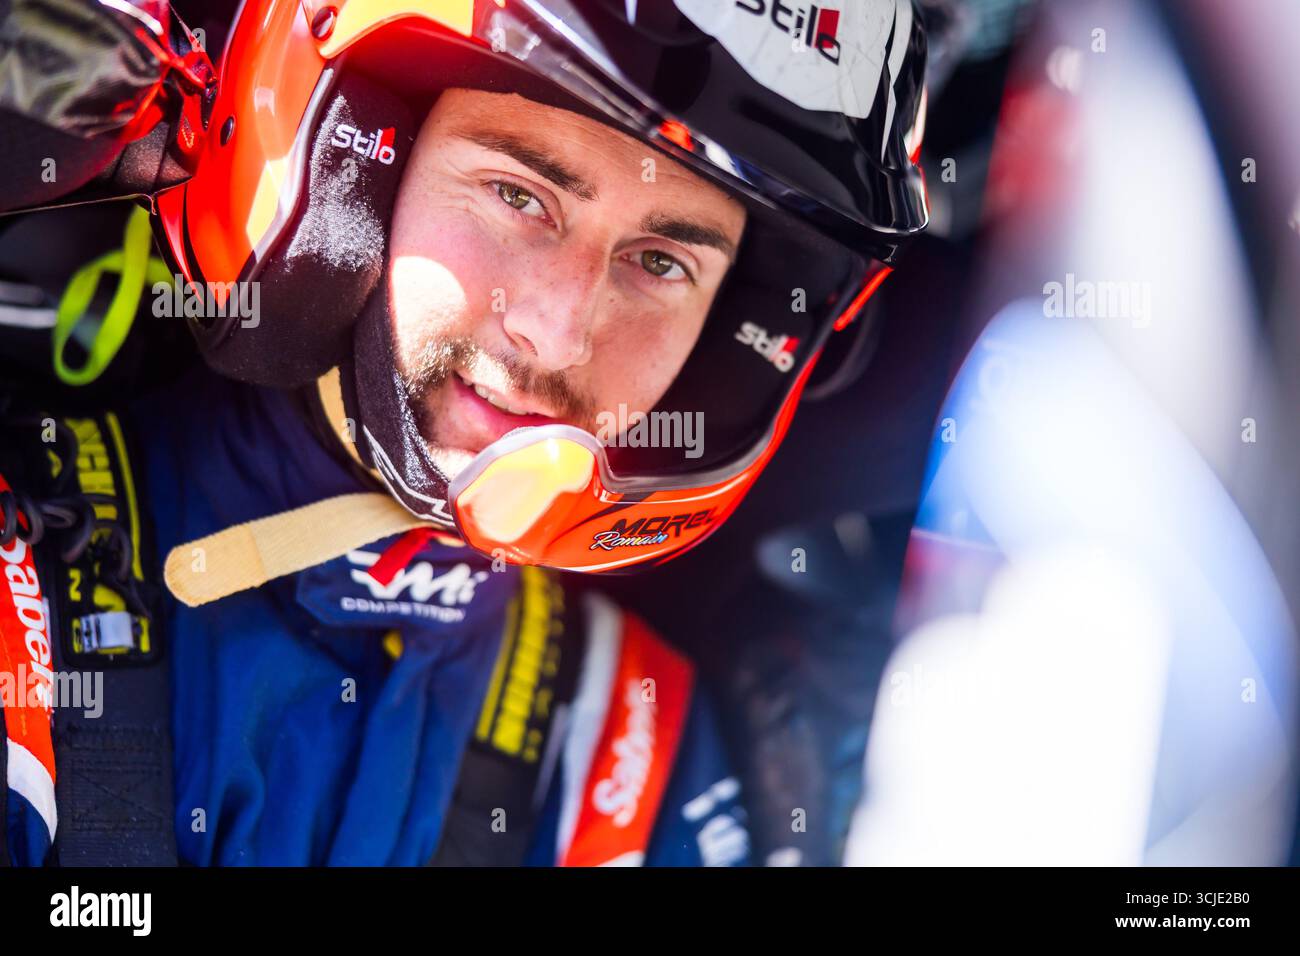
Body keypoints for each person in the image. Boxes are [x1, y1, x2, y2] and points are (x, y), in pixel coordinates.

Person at [0, 0, 928, 866]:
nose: (560, 330)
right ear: (353, 168)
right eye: (520, 196)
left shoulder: (642, 754)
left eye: (659, 261)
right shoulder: (21, 604)